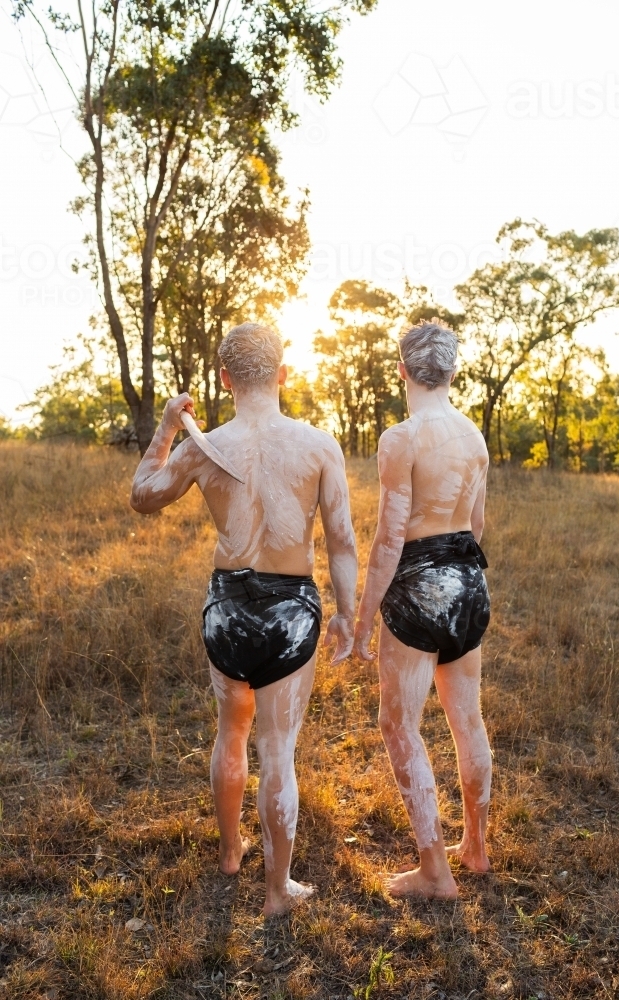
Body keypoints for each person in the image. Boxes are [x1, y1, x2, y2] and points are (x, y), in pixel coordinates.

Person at [130, 323, 357, 916]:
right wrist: (348, 614)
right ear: (283, 374)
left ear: (225, 379)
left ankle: (232, 853)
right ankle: (277, 890)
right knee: (277, 747)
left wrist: (164, 430)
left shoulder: (204, 447)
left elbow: (143, 495)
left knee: (231, 731)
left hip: (226, 608)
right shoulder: (318, 445)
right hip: (291, 609)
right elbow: (342, 543)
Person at [354, 320, 492, 900]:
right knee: (468, 720)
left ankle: (435, 872)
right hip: (468, 581)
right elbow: (477, 526)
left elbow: (389, 540)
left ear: (403, 370)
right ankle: (477, 847)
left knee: (398, 724)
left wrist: (362, 619)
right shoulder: (474, 438)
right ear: (453, 371)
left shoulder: (401, 439)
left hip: (418, 584)